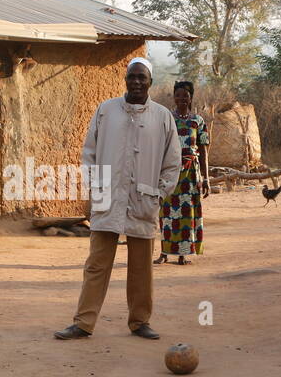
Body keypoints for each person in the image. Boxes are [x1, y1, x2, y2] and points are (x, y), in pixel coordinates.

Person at [54, 56, 181, 340]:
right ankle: (83, 322)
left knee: (141, 266)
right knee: (97, 263)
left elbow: (173, 162)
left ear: (150, 82)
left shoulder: (162, 117)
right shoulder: (106, 111)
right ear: (125, 79)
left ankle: (140, 321)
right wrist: (94, 186)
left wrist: (160, 191)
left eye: (142, 77)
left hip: (144, 199)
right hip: (107, 197)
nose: (136, 82)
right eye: (131, 77)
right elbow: (89, 153)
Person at [155, 81, 210, 266]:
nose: (181, 99)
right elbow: (158, 147)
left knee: (187, 214)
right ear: (174, 97)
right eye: (178, 95)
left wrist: (206, 178)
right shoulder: (167, 118)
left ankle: (182, 254)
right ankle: (164, 252)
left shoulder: (198, 121)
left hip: (191, 176)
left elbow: (203, 151)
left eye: (185, 95)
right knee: (167, 214)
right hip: (170, 173)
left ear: (191, 97)